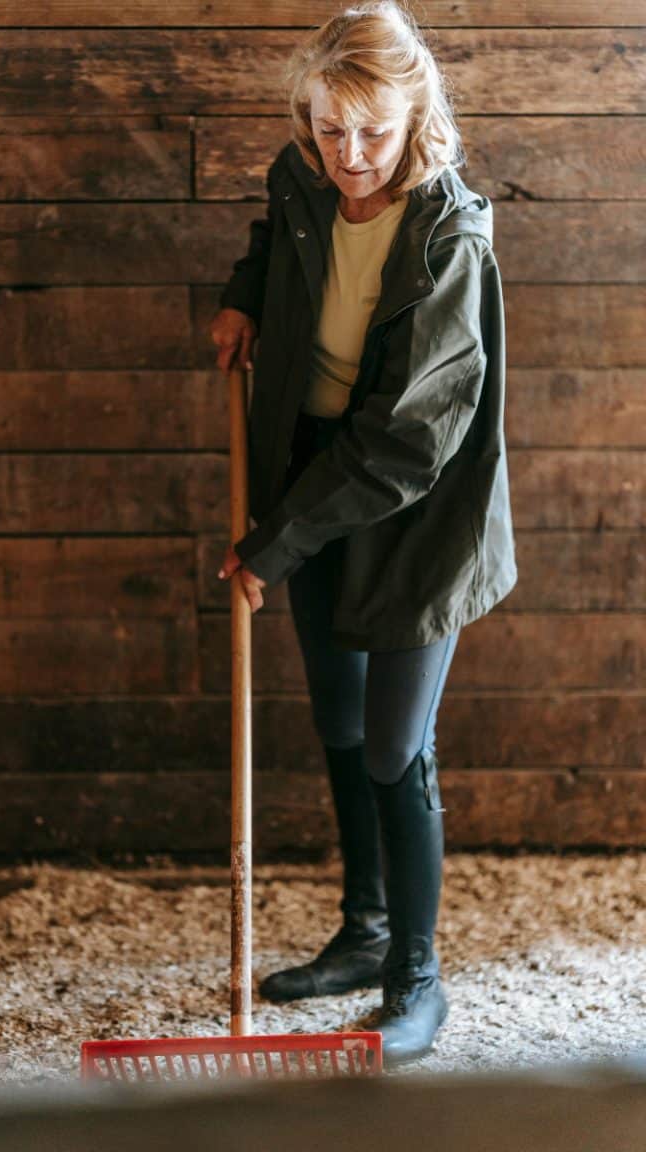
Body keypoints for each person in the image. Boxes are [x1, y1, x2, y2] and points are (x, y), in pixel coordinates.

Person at [210, 0, 517, 1069]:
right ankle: (365, 927)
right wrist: (246, 296)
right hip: (310, 485)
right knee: (339, 723)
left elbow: (406, 445)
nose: (348, 155)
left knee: (394, 743)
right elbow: (275, 242)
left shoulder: (449, 239)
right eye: (329, 127)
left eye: (371, 132)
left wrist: (273, 543)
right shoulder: (301, 181)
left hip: (416, 516)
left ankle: (416, 979)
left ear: (416, 114)